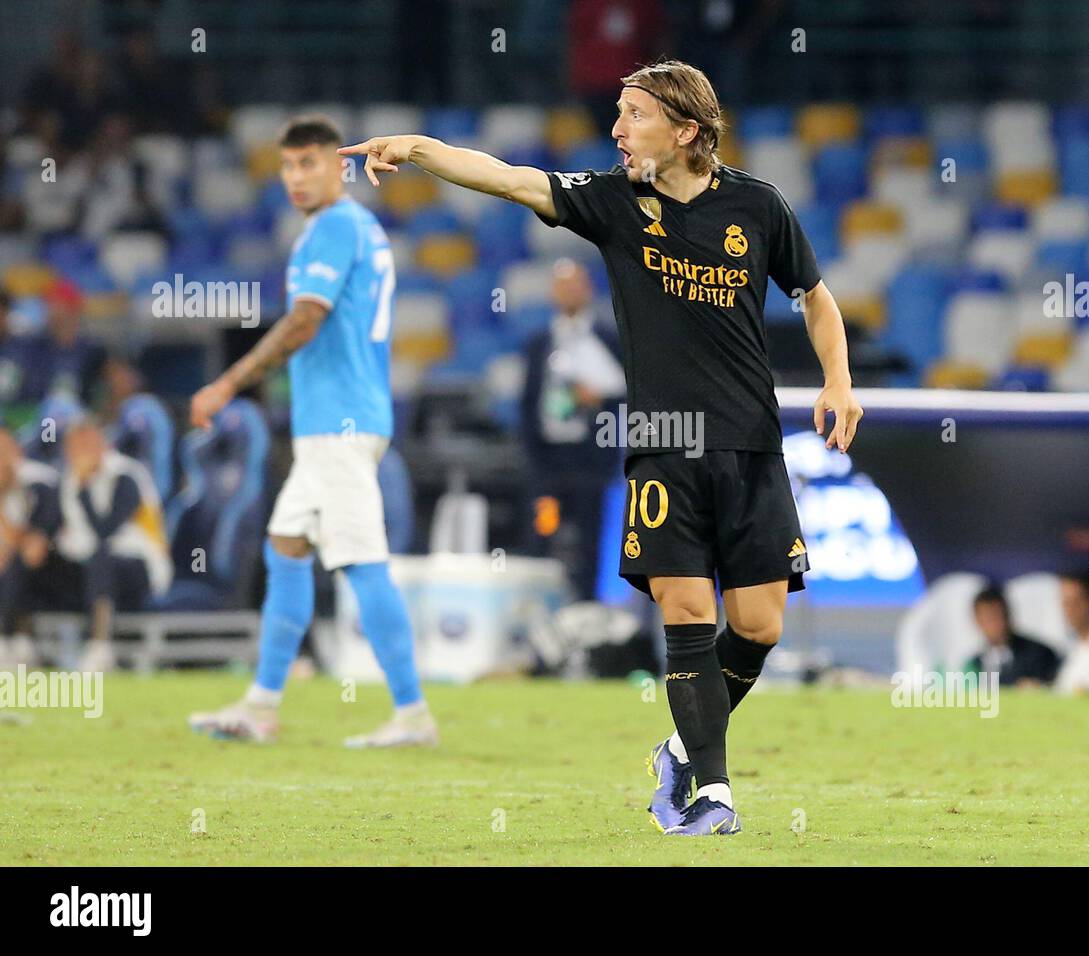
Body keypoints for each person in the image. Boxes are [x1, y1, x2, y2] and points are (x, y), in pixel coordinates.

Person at [340, 58, 863, 835]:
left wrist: (838, 381)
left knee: (758, 627)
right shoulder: (614, 202)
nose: (616, 130)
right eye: (616, 115)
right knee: (685, 612)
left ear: (687, 129)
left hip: (750, 445)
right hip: (660, 446)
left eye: (634, 116)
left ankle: (682, 751)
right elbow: (508, 179)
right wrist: (418, 146)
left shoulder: (758, 206)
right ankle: (712, 793)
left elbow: (814, 297)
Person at [185, 117, 437, 749]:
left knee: (362, 561)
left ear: (339, 166)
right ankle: (262, 705)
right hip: (331, 423)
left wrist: (227, 383)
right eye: (288, 166)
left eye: (310, 164)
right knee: (286, 547)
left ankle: (412, 714)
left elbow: (304, 321)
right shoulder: (355, 229)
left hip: (341, 426)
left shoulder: (334, 228)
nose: (297, 178)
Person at [519, 258, 624, 600]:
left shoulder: (610, 340)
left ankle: (587, 610)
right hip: (549, 464)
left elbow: (626, 395)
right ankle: (541, 608)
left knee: (589, 539)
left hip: (590, 462)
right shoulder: (539, 343)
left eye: (575, 284)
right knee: (543, 532)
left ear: (588, 289)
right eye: (562, 285)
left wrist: (600, 401)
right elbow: (529, 401)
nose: (568, 292)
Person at [40, 417, 172, 671]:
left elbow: (104, 530)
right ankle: (15, 641)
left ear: (102, 444)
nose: (82, 453)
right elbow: (50, 529)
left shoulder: (127, 475)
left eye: (87, 444)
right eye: (76, 447)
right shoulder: (66, 480)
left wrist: (84, 488)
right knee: (30, 558)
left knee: (101, 555)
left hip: (139, 567)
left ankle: (99, 646)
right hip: (88, 566)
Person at [0, 427, 60, 666]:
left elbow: (34, 548)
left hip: (54, 567)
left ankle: (14, 637)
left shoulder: (38, 483)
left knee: (18, 558)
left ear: (17, 451)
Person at [964, 585, 1060, 687]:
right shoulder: (973, 664)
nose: (996, 624)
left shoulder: (1039, 654)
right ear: (977, 621)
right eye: (989, 618)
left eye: (999, 615)